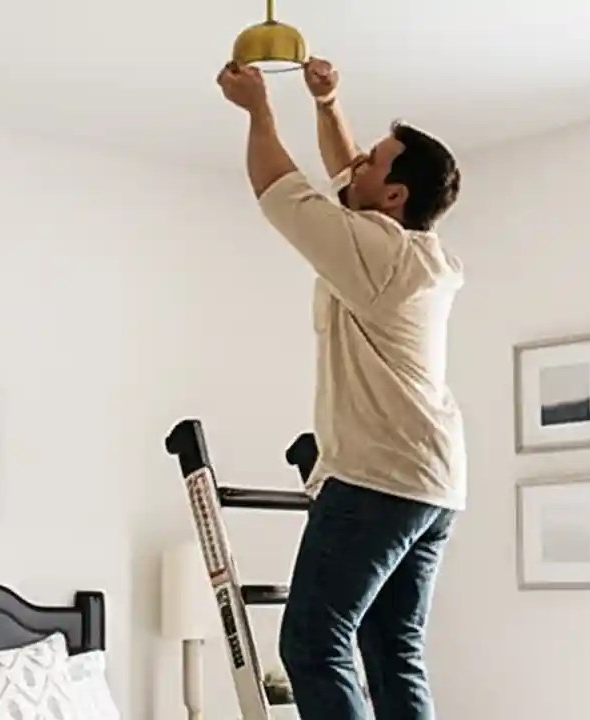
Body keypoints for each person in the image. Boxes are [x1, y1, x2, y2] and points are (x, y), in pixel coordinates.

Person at [215, 57, 467, 720]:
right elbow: (345, 173)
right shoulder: (413, 251)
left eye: (373, 161)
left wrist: (260, 112)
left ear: (395, 196)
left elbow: (282, 191)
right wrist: (327, 104)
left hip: (378, 476)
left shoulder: (374, 254)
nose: (354, 164)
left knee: (312, 642)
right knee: (391, 647)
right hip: (432, 483)